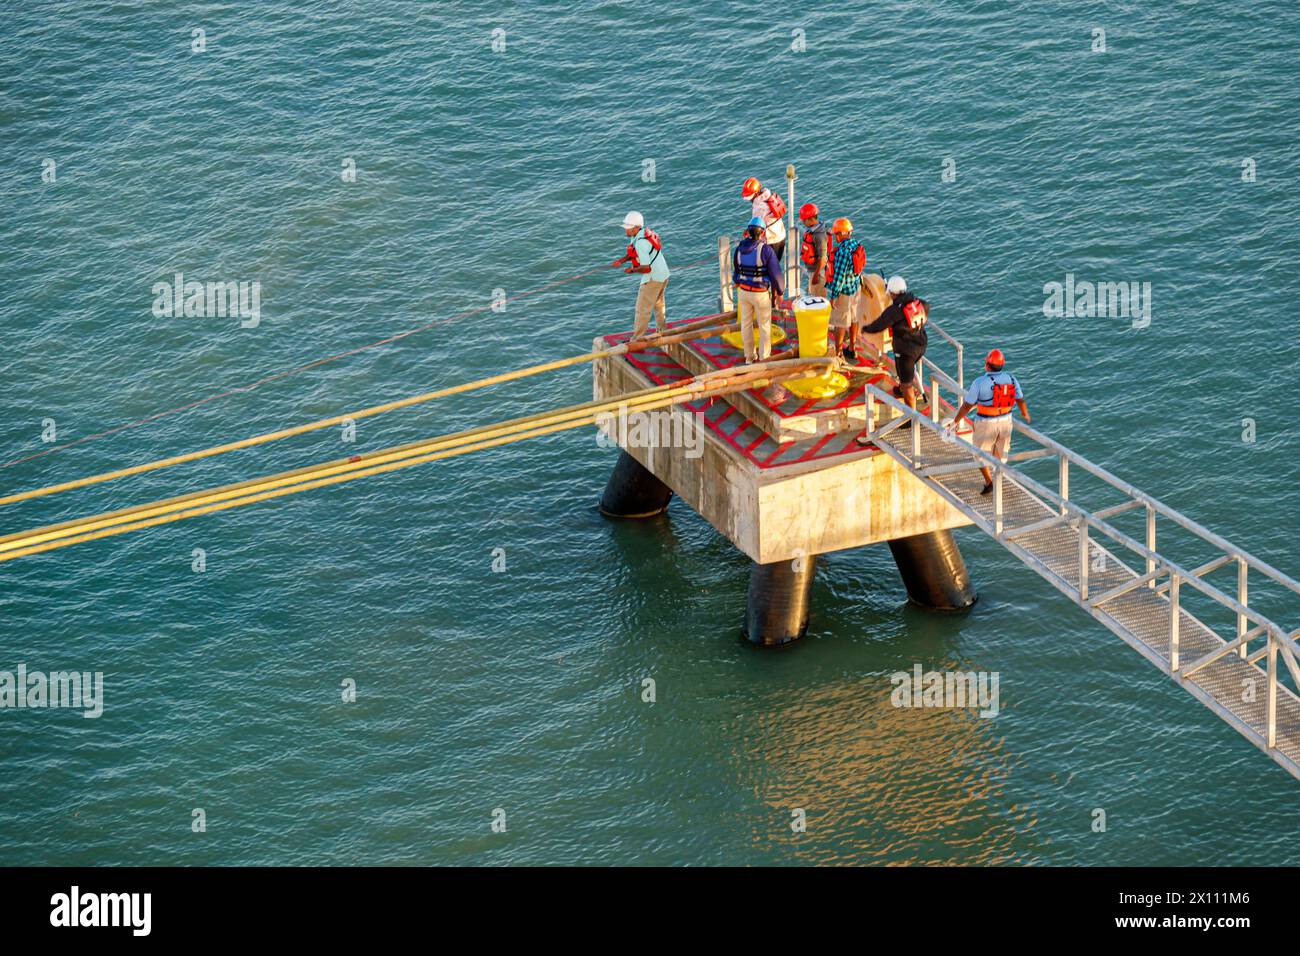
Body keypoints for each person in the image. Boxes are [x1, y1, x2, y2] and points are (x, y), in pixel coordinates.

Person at [949, 348, 1031, 495]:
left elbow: (967, 405)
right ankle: (998, 480)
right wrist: (1025, 413)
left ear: (987, 365)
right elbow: (1020, 399)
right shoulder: (1012, 379)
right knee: (1001, 455)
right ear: (1002, 365)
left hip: (986, 423)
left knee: (979, 454)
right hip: (1006, 421)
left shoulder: (980, 382)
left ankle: (989, 482)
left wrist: (956, 421)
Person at [860, 276, 928, 427]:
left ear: (892, 293)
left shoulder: (894, 311)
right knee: (905, 374)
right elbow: (924, 310)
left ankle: (911, 418)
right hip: (921, 345)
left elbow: (879, 324)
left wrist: (865, 329)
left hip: (906, 352)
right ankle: (900, 388)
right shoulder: (918, 303)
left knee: (907, 385)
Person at [732, 215, 785, 363]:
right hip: (760, 294)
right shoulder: (766, 250)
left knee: (746, 325)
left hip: (743, 292)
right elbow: (776, 274)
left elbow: (736, 272)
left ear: (748, 232)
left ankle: (749, 357)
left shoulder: (739, 250)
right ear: (762, 233)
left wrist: (737, 281)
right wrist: (780, 292)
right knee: (764, 326)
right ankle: (764, 357)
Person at [611, 211, 671, 339]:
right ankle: (662, 330)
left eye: (628, 228)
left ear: (636, 228)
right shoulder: (641, 234)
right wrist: (621, 261)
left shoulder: (641, 243)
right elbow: (633, 252)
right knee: (659, 304)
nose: (625, 231)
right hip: (663, 273)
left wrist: (631, 270)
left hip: (653, 277)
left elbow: (646, 268)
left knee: (642, 309)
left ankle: (637, 339)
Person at [825, 218, 865, 358]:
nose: (835, 237)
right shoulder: (857, 245)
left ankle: (838, 352)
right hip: (856, 288)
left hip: (845, 292)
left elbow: (839, 277)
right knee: (854, 318)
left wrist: (834, 296)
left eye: (836, 234)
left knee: (840, 322)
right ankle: (852, 348)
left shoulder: (842, 252)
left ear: (842, 234)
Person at [740, 177, 788, 264]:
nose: (749, 199)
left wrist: (748, 233)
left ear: (755, 193)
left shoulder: (759, 205)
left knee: (768, 267)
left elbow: (756, 226)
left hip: (771, 240)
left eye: (749, 196)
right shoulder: (768, 196)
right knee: (775, 264)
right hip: (781, 236)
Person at [798, 202, 832, 297]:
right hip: (814, 270)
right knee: (814, 295)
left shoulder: (819, 236)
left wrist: (816, 275)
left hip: (818, 273)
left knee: (818, 299)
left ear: (810, 219)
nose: (803, 223)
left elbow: (823, 258)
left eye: (804, 221)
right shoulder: (814, 230)